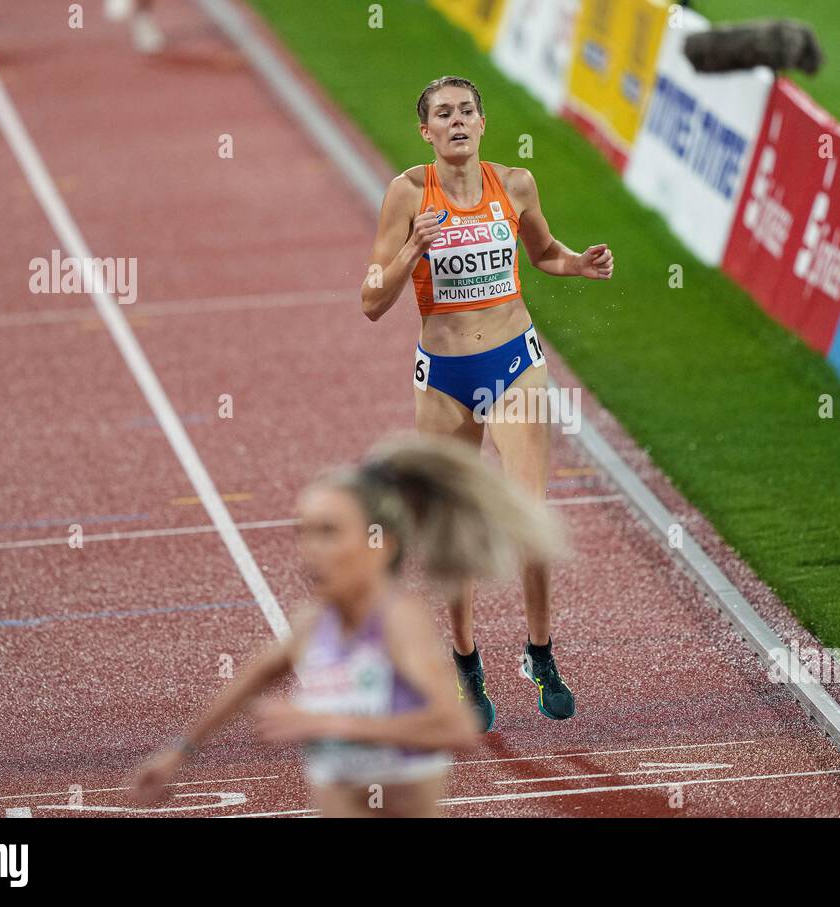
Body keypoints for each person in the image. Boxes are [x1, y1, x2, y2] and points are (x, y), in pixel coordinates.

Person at [131, 433, 564, 817]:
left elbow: (454, 727)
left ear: (380, 543)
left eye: (329, 532)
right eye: (303, 532)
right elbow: (250, 680)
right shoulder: (314, 625)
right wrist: (179, 751)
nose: (310, 550)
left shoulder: (397, 622)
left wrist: (329, 724)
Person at [361, 75, 614, 731]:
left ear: (482, 122)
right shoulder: (408, 193)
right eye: (443, 114)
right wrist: (411, 248)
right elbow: (371, 299)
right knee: (456, 532)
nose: (457, 121)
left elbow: (545, 253)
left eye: (467, 111)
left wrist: (579, 264)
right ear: (426, 131)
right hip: (444, 375)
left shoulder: (517, 184)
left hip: (513, 364)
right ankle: (467, 662)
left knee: (529, 517)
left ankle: (539, 652)